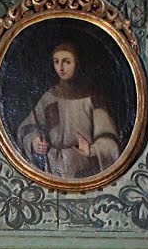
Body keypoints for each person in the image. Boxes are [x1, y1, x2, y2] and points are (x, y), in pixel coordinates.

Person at [15, 42, 121, 178]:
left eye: (67, 62)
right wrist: (35, 141)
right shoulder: (49, 97)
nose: (61, 68)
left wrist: (91, 150)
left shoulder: (93, 99)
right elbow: (28, 128)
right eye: (56, 62)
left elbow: (109, 141)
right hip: (52, 167)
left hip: (83, 167)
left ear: (78, 63)